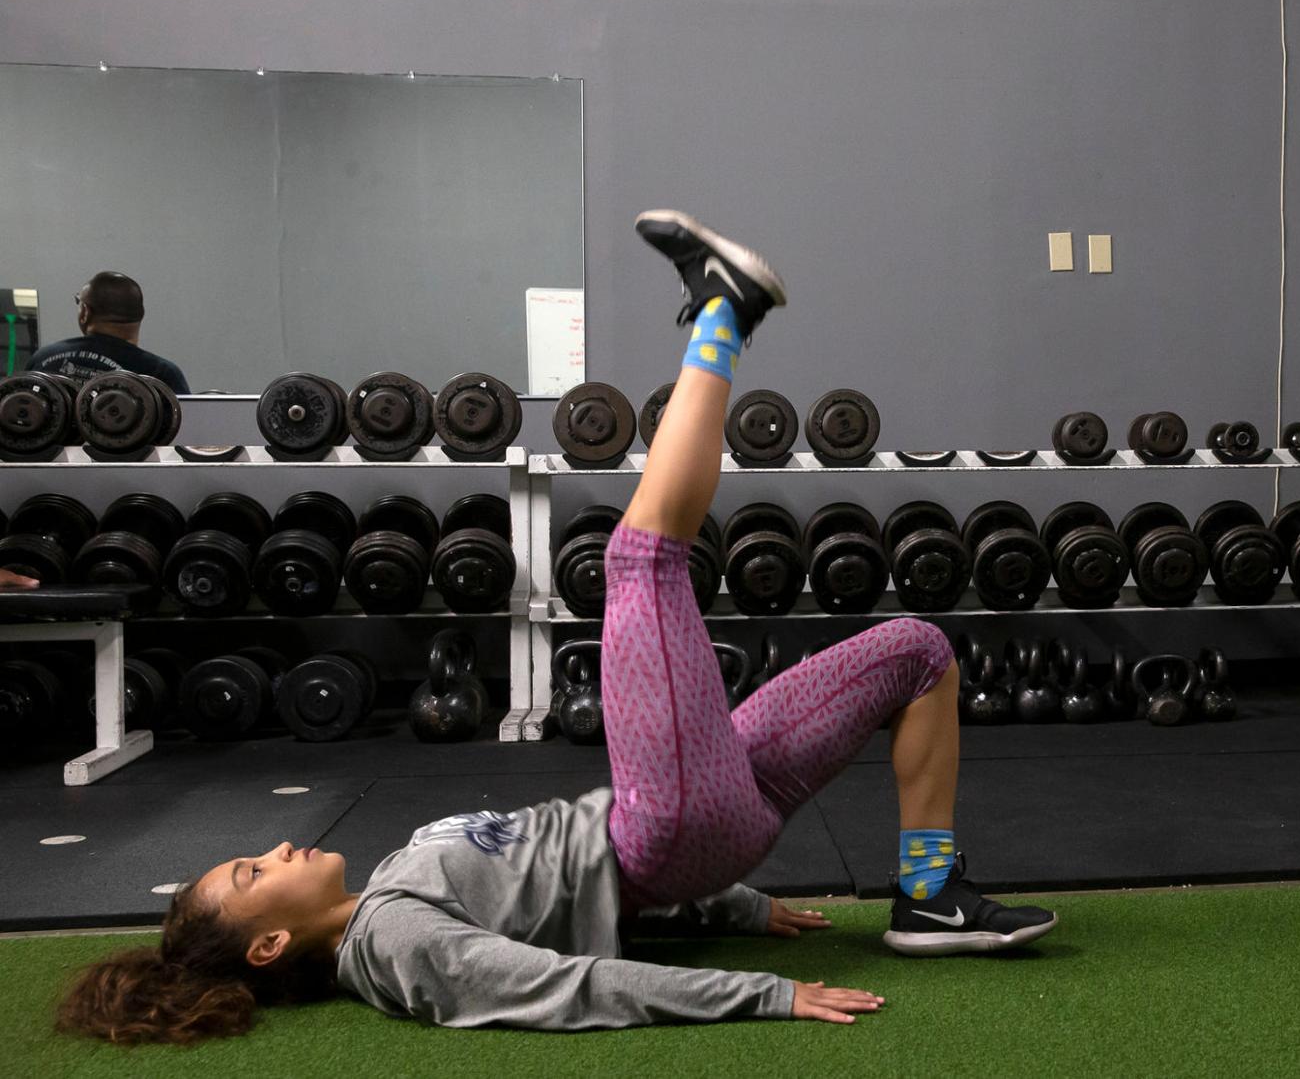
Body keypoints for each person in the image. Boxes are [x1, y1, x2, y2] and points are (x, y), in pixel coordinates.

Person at [58, 211, 1056, 1045]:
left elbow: (570, 891)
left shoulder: (393, 889)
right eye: (251, 874)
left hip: (698, 818)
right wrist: (763, 993)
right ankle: (724, 314)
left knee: (917, 652)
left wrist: (739, 910)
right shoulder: (395, 948)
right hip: (665, 827)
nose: (275, 849)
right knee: (639, 558)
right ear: (269, 944)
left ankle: (928, 894)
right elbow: (563, 983)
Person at [26, 271, 190, 394]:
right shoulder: (162, 374)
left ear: (85, 312)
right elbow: (187, 432)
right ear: (141, 314)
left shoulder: (42, 359)